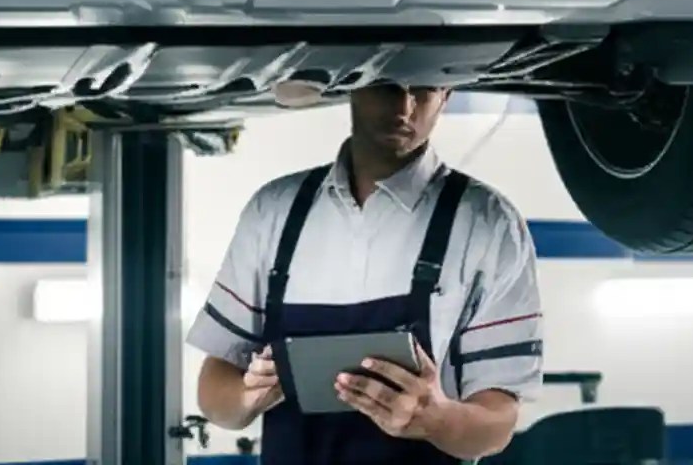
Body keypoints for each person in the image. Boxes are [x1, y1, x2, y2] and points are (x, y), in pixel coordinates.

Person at [185, 80, 543, 464]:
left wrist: (437, 419)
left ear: (447, 95)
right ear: (352, 86)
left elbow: (497, 423)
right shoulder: (274, 210)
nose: (405, 108)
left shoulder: (488, 222)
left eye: (424, 89)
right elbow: (215, 392)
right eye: (388, 87)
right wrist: (248, 397)